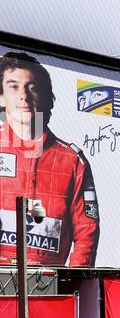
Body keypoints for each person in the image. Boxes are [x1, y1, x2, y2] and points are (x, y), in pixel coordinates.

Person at [0, 50, 100, 266]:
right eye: (13, 87)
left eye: (32, 87)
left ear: (45, 97)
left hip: (50, 288)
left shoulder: (73, 160)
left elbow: (87, 231)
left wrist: (70, 283)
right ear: (1, 97)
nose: (23, 96)